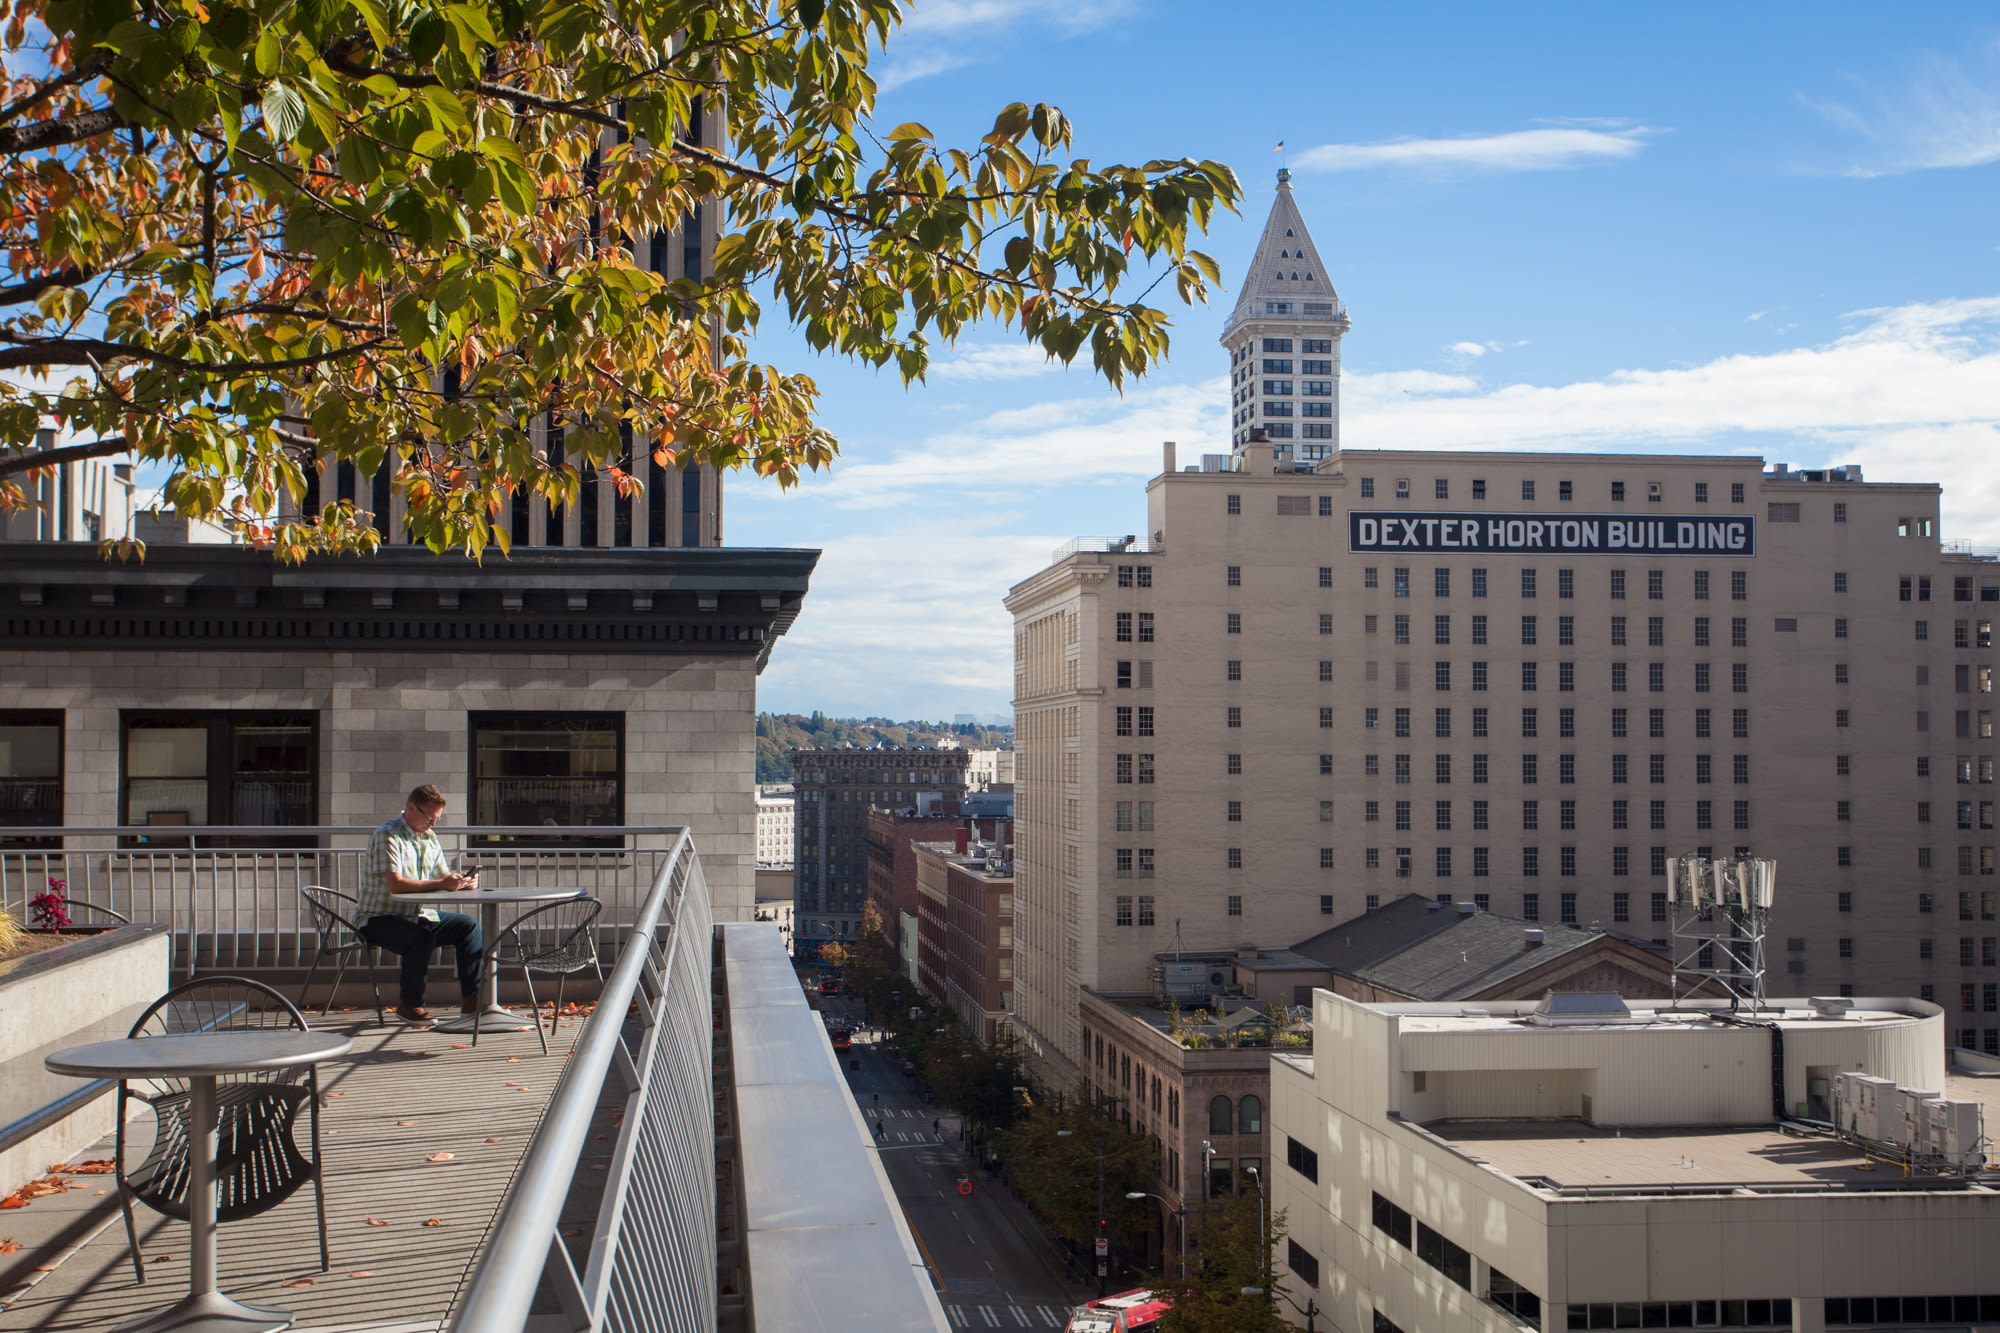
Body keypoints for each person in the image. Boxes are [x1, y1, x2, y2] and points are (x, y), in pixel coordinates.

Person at [357, 784, 483, 1027]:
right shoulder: (387, 835)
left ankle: (473, 1001)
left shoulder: (429, 837)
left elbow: (441, 877)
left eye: (437, 819)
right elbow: (396, 884)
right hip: (377, 917)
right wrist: (443, 882)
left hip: (415, 914)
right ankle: (410, 1005)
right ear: (411, 808)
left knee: (469, 926)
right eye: (429, 817)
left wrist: (461, 882)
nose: (433, 824)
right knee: (421, 938)